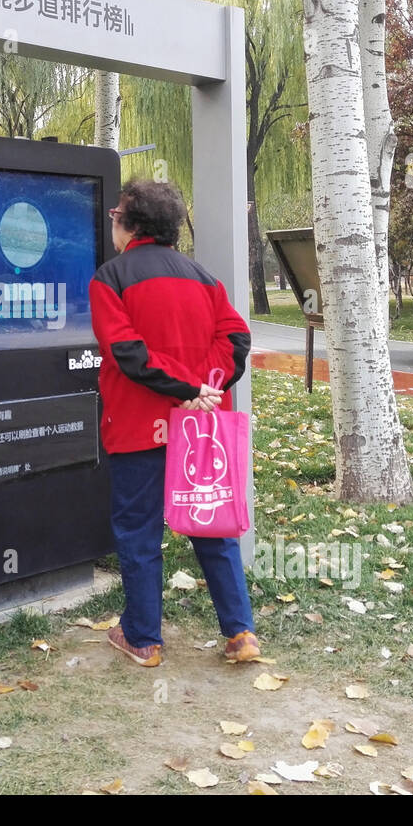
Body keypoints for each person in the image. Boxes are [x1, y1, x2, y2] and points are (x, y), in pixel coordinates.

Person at [89, 180, 256, 667]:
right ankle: (240, 633)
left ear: (131, 221)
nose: (112, 221)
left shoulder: (110, 278)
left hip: (139, 428)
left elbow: (127, 353)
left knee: (139, 533)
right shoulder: (205, 279)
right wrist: (203, 389)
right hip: (202, 430)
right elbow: (236, 340)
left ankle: (142, 638)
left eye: (115, 212)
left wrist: (185, 389)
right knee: (213, 528)